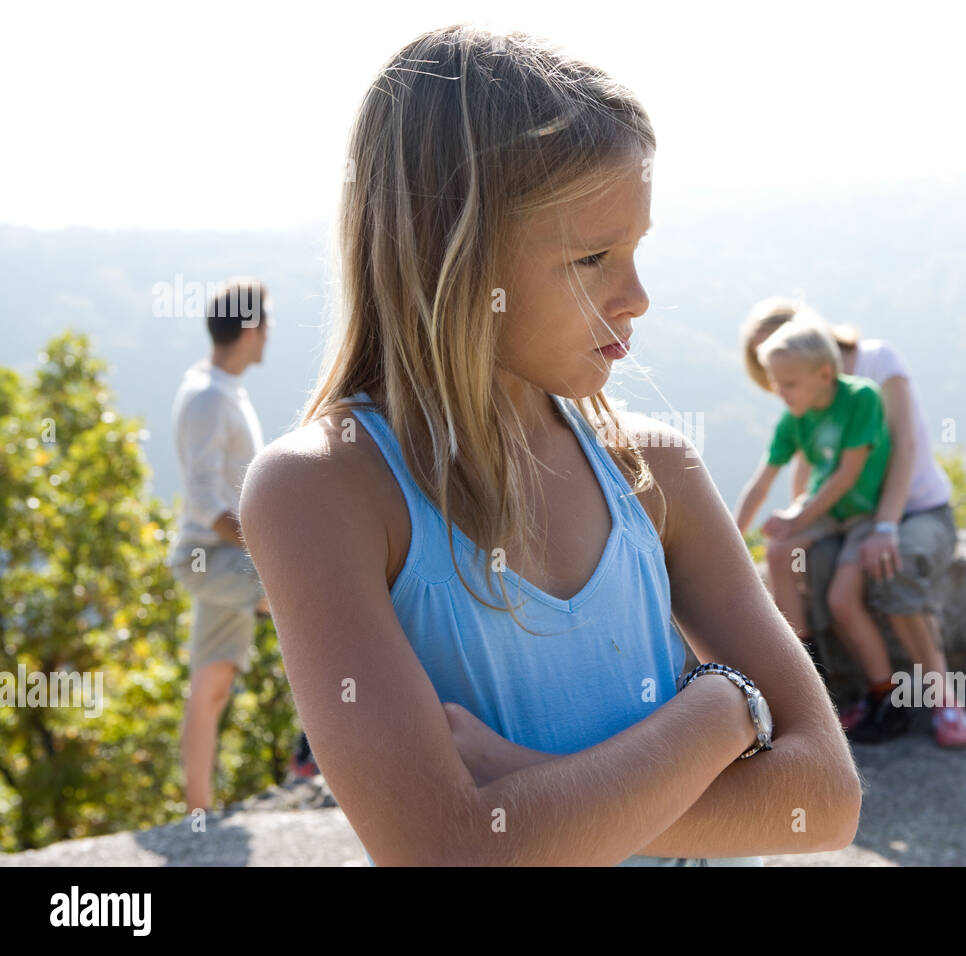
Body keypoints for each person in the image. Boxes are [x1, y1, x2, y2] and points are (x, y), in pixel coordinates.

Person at [236, 25, 861, 867]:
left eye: (637, 250)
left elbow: (825, 798)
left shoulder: (654, 470)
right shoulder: (324, 493)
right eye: (593, 258)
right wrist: (722, 711)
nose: (637, 297)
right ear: (451, 256)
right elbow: (447, 852)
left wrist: (541, 793)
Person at [740, 298, 966, 749]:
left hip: (914, 508)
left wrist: (886, 526)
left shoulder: (874, 365)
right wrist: (798, 525)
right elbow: (809, 466)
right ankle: (821, 689)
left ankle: (944, 698)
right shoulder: (806, 395)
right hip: (847, 513)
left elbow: (904, 443)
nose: (775, 380)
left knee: (896, 565)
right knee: (804, 565)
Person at [167, 279, 272, 811]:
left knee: (212, 686)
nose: (269, 334)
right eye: (267, 323)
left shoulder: (221, 389)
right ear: (251, 329)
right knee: (309, 599)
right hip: (213, 558)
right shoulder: (209, 397)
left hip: (223, 558)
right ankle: (316, 755)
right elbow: (208, 502)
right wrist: (274, 549)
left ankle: (196, 809)